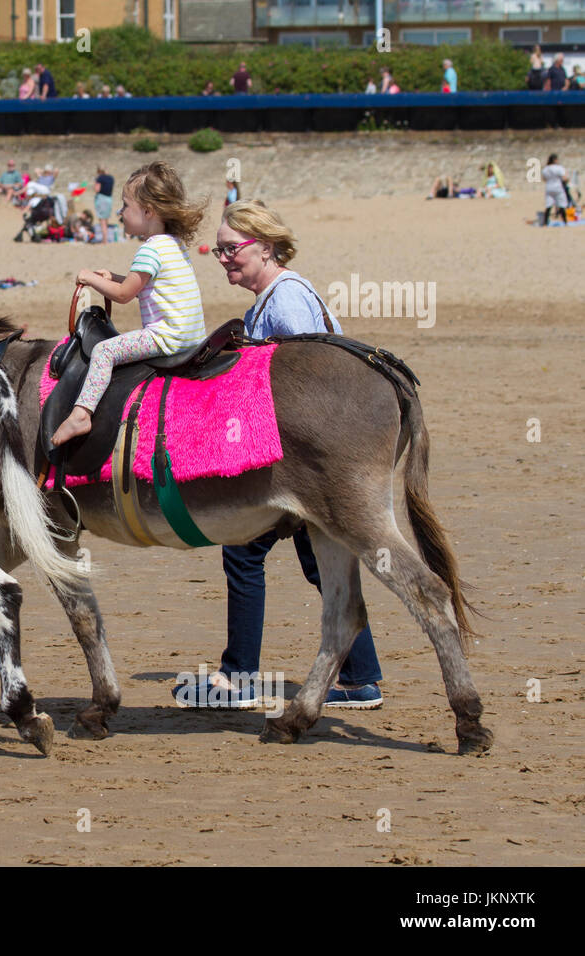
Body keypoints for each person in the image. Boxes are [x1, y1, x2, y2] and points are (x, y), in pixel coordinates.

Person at [174, 199, 384, 709]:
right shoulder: (275, 295)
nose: (224, 258)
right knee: (321, 565)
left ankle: (238, 679)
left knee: (243, 553)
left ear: (265, 247)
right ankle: (360, 679)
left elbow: (305, 385)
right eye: (218, 250)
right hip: (303, 462)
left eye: (232, 249)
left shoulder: (285, 300)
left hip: (296, 463)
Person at [50, 162, 208, 447]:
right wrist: (112, 276)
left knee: (104, 350)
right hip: (192, 336)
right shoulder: (170, 244)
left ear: (148, 212)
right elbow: (142, 285)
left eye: (125, 206)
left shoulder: (148, 249)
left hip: (167, 338)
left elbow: (123, 294)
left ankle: (81, 414)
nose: (120, 213)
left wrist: (90, 278)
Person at [542, 153, 570, 225]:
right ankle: (565, 222)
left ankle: (545, 223)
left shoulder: (545, 169)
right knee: (561, 205)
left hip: (549, 188)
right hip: (558, 187)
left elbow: (544, 179)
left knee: (548, 205)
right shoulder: (558, 168)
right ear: (555, 160)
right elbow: (564, 178)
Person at [93, 165, 115, 243]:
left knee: (102, 220)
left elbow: (97, 189)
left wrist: (95, 183)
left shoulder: (100, 178)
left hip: (102, 199)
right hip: (109, 199)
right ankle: (106, 238)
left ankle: (104, 240)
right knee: (106, 219)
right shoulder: (111, 178)